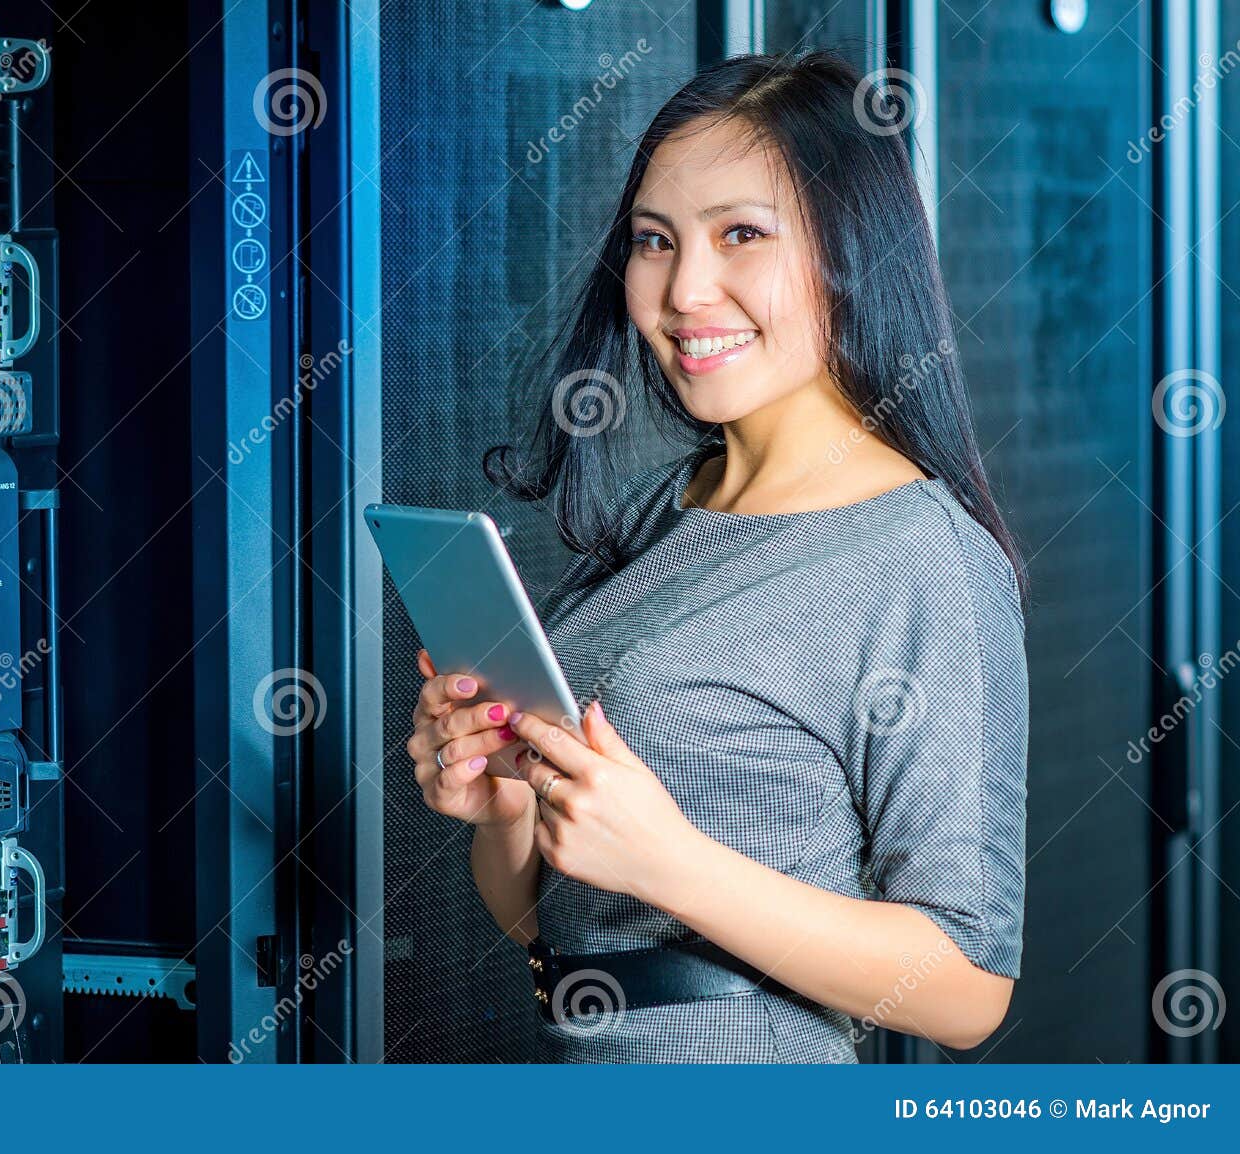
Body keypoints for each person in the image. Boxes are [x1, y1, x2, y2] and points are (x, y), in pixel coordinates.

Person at [404, 50, 1030, 1063]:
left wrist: (672, 862)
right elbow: (553, 929)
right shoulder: (671, 506)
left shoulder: (922, 557)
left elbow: (965, 986)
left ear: (850, 249)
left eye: (740, 234)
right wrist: (506, 804)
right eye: (655, 240)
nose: (685, 287)